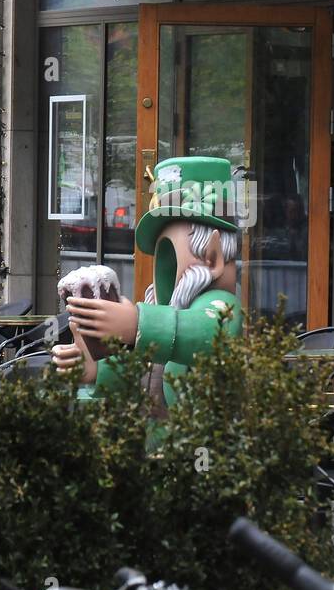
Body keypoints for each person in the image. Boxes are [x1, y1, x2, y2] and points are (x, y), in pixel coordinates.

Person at [53, 156, 243, 410]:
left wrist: (137, 323)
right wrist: (95, 369)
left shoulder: (223, 308)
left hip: (204, 446)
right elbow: (142, 370)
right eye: (162, 256)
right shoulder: (168, 319)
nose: (165, 269)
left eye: (171, 254)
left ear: (213, 257)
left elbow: (207, 333)